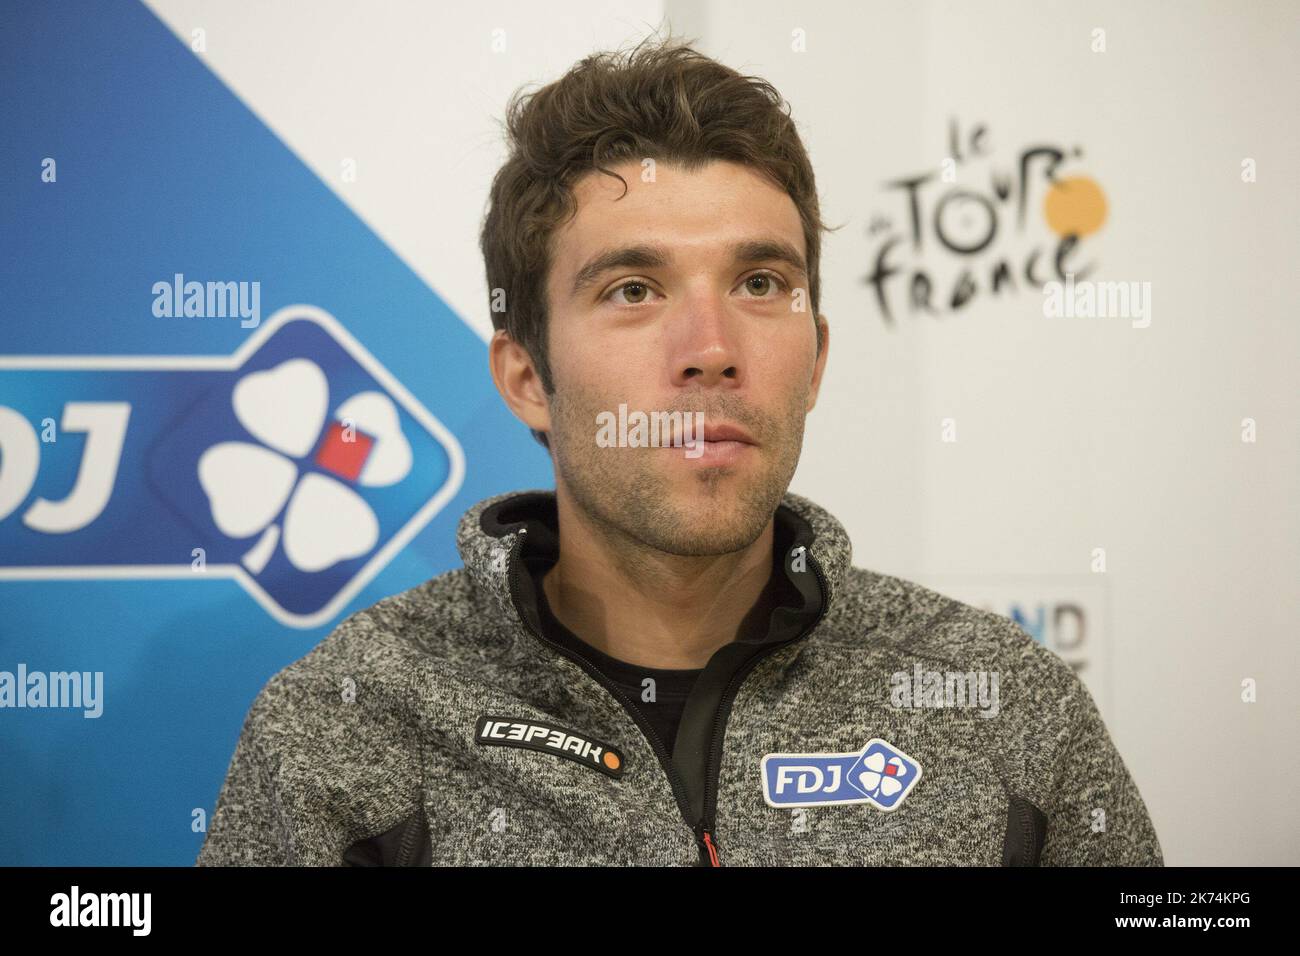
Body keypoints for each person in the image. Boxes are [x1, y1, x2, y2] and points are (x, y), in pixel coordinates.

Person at [196, 35, 1162, 867]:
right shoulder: (353, 719)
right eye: (632, 290)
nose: (711, 351)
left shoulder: (999, 701)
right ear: (527, 373)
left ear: (816, 359)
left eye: (759, 282)